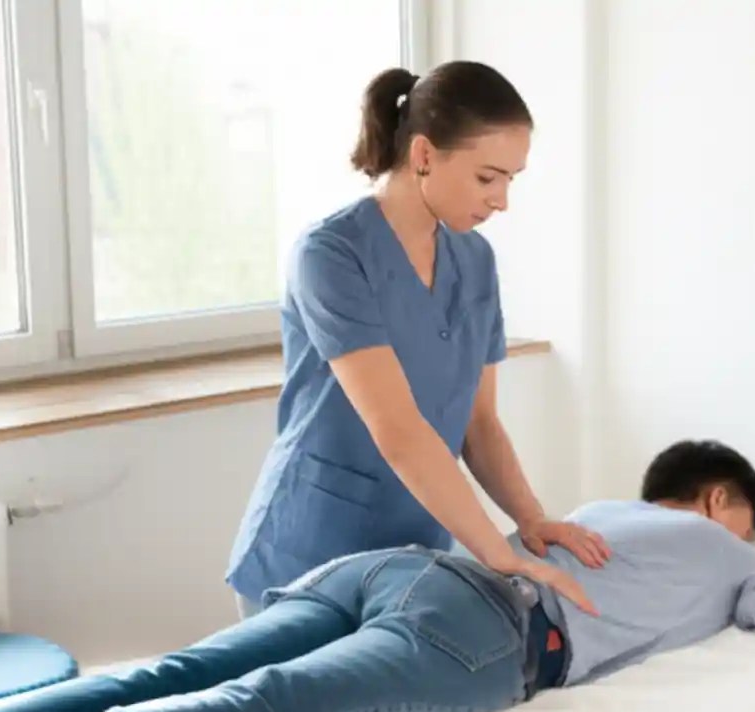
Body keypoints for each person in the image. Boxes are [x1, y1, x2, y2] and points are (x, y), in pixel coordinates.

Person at [0, 440, 755, 712]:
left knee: (162, 675)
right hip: (483, 627)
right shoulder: (733, 557)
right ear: (714, 504)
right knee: (257, 707)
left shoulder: (591, 515)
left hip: (396, 568)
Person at [224, 60, 611, 621]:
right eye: (487, 177)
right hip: (306, 554)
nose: (502, 200)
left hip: (410, 555)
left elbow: (479, 425)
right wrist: (500, 558)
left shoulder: (474, 260)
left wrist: (530, 519)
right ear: (424, 155)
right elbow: (401, 432)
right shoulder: (331, 254)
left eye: (511, 179)